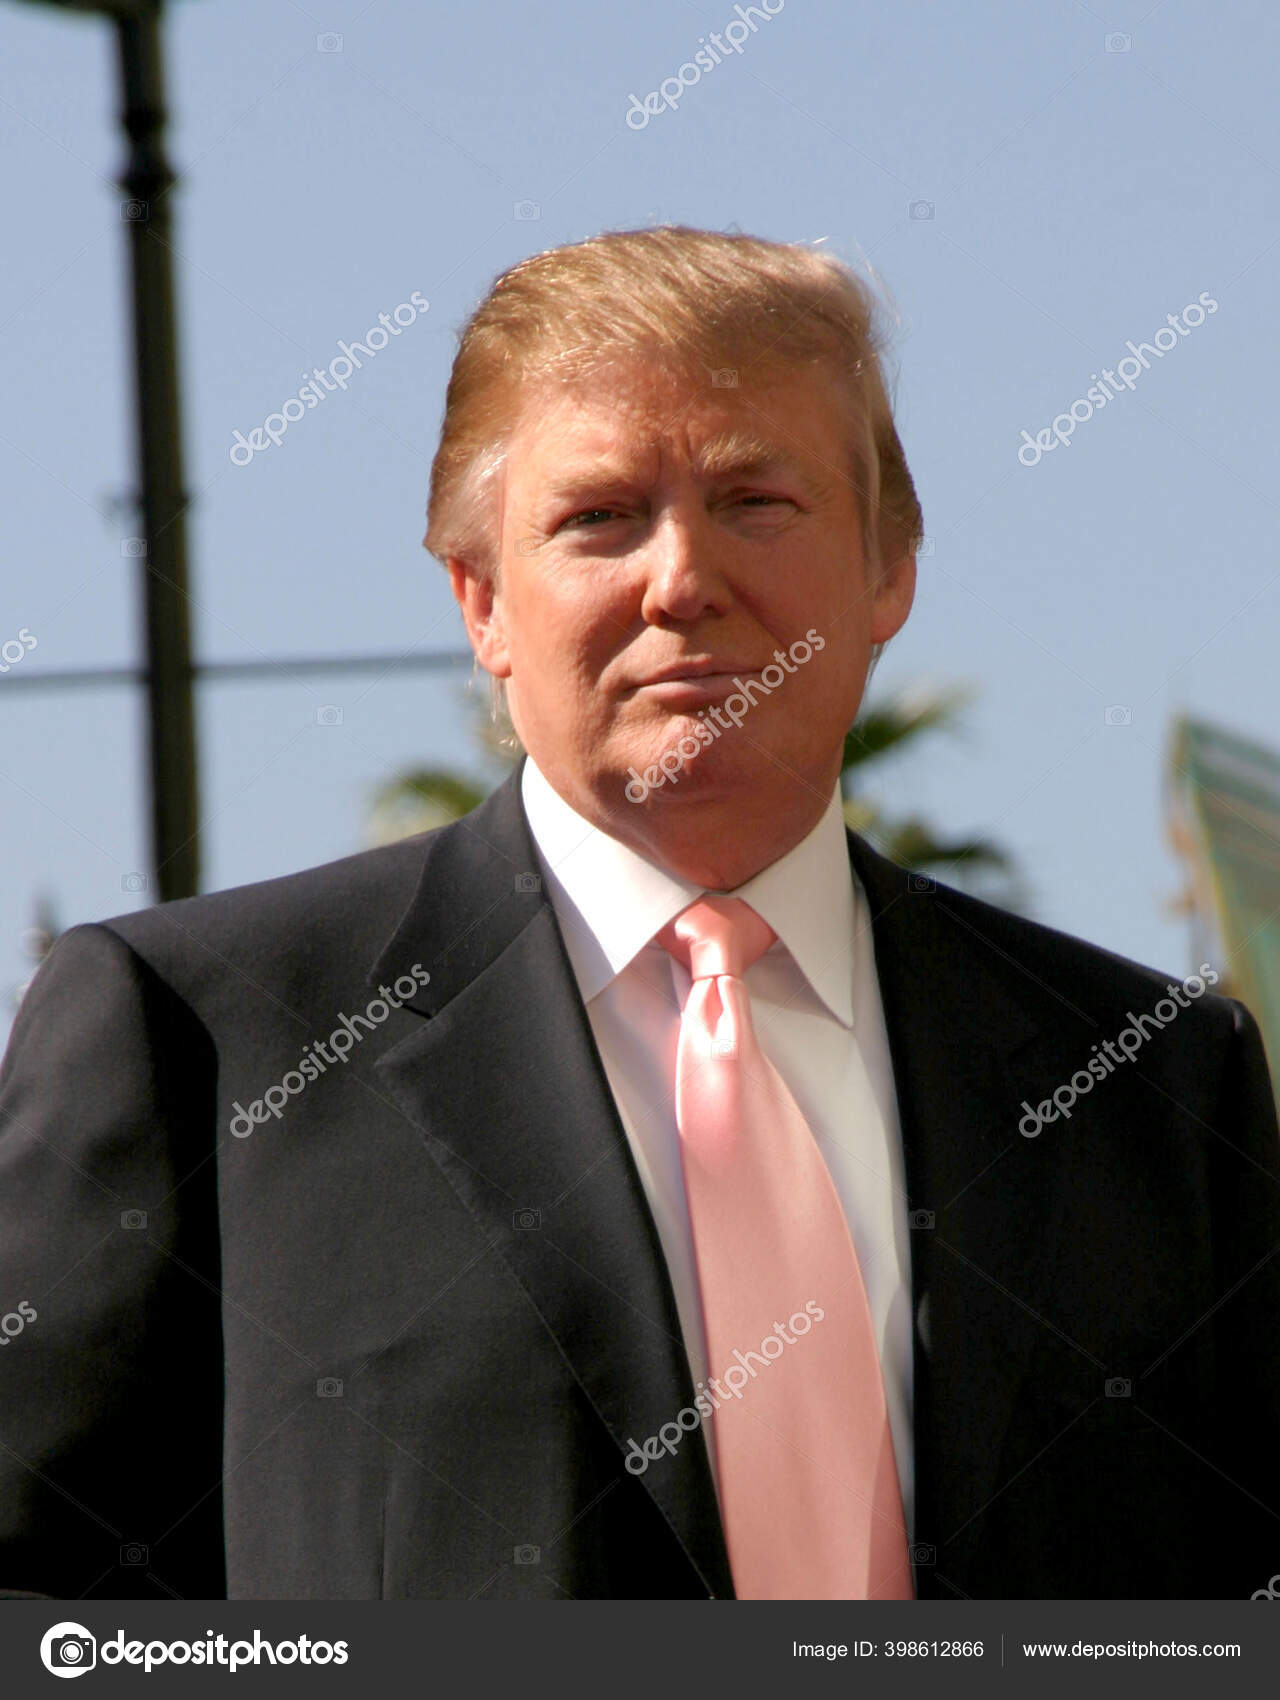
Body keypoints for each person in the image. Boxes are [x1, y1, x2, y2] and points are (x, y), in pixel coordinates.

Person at [2, 226, 1277, 1602]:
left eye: (755, 500)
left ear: (890, 570)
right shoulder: (201, 1040)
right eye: (600, 516)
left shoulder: (1154, 1082)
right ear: (482, 601)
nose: (681, 579)